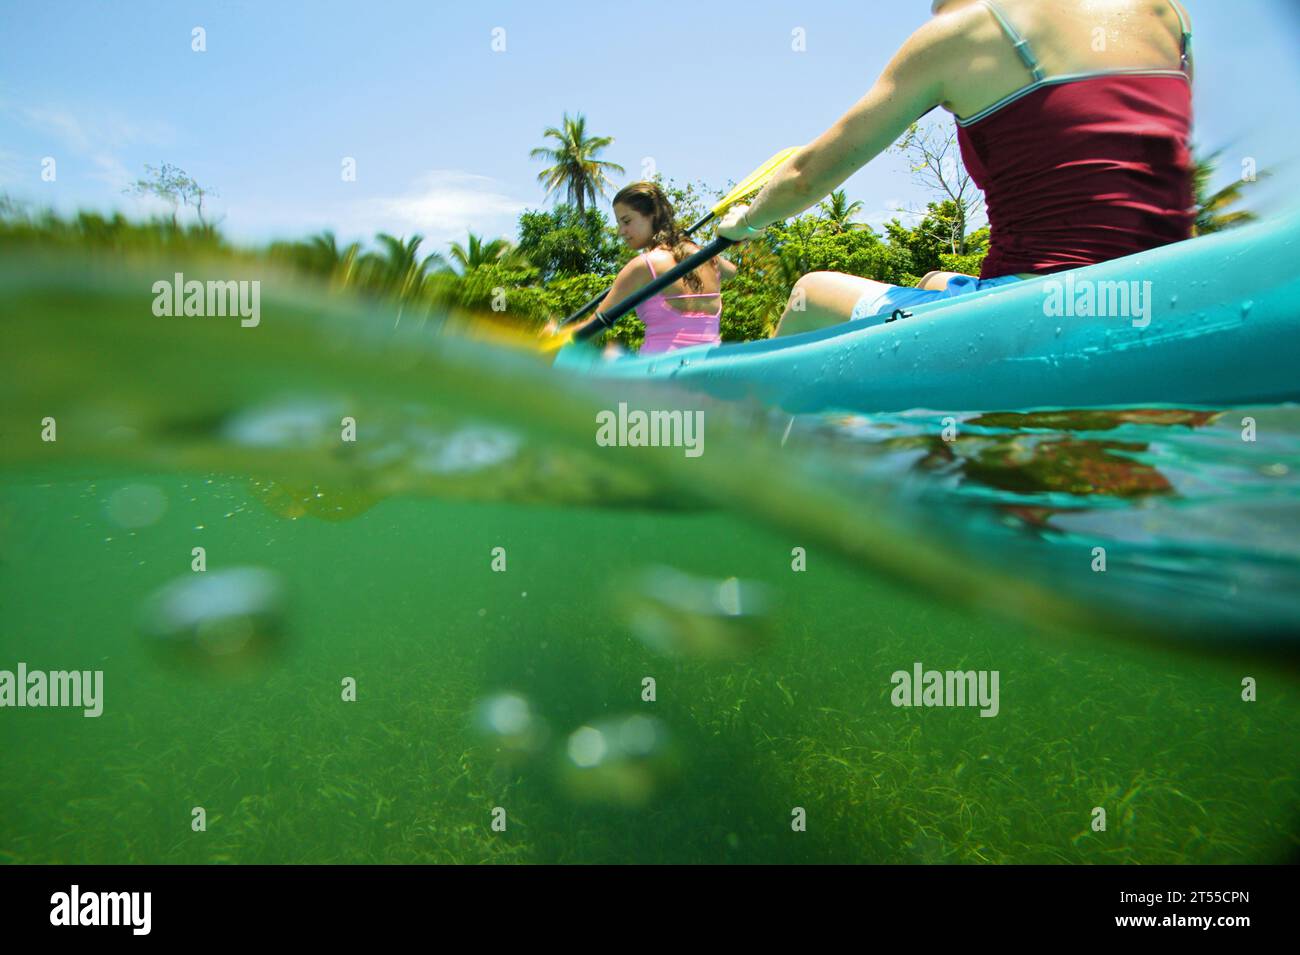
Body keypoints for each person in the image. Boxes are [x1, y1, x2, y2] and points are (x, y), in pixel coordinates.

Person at [716, 0, 1195, 336]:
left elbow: (808, 174)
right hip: (1167, 294)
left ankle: (752, 464)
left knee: (810, 293)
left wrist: (747, 220)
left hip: (1031, 309)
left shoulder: (963, 35)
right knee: (933, 281)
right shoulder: (1166, 14)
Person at [559, 181, 736, 354]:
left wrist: (555, 335)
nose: (621, 231)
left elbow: (592, 330)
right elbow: (732, 271)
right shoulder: (708, 258)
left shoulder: (644, 266)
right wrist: (692, 246)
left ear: (653, 215)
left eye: (626, 221)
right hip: (708, 370)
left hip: (659, 371)